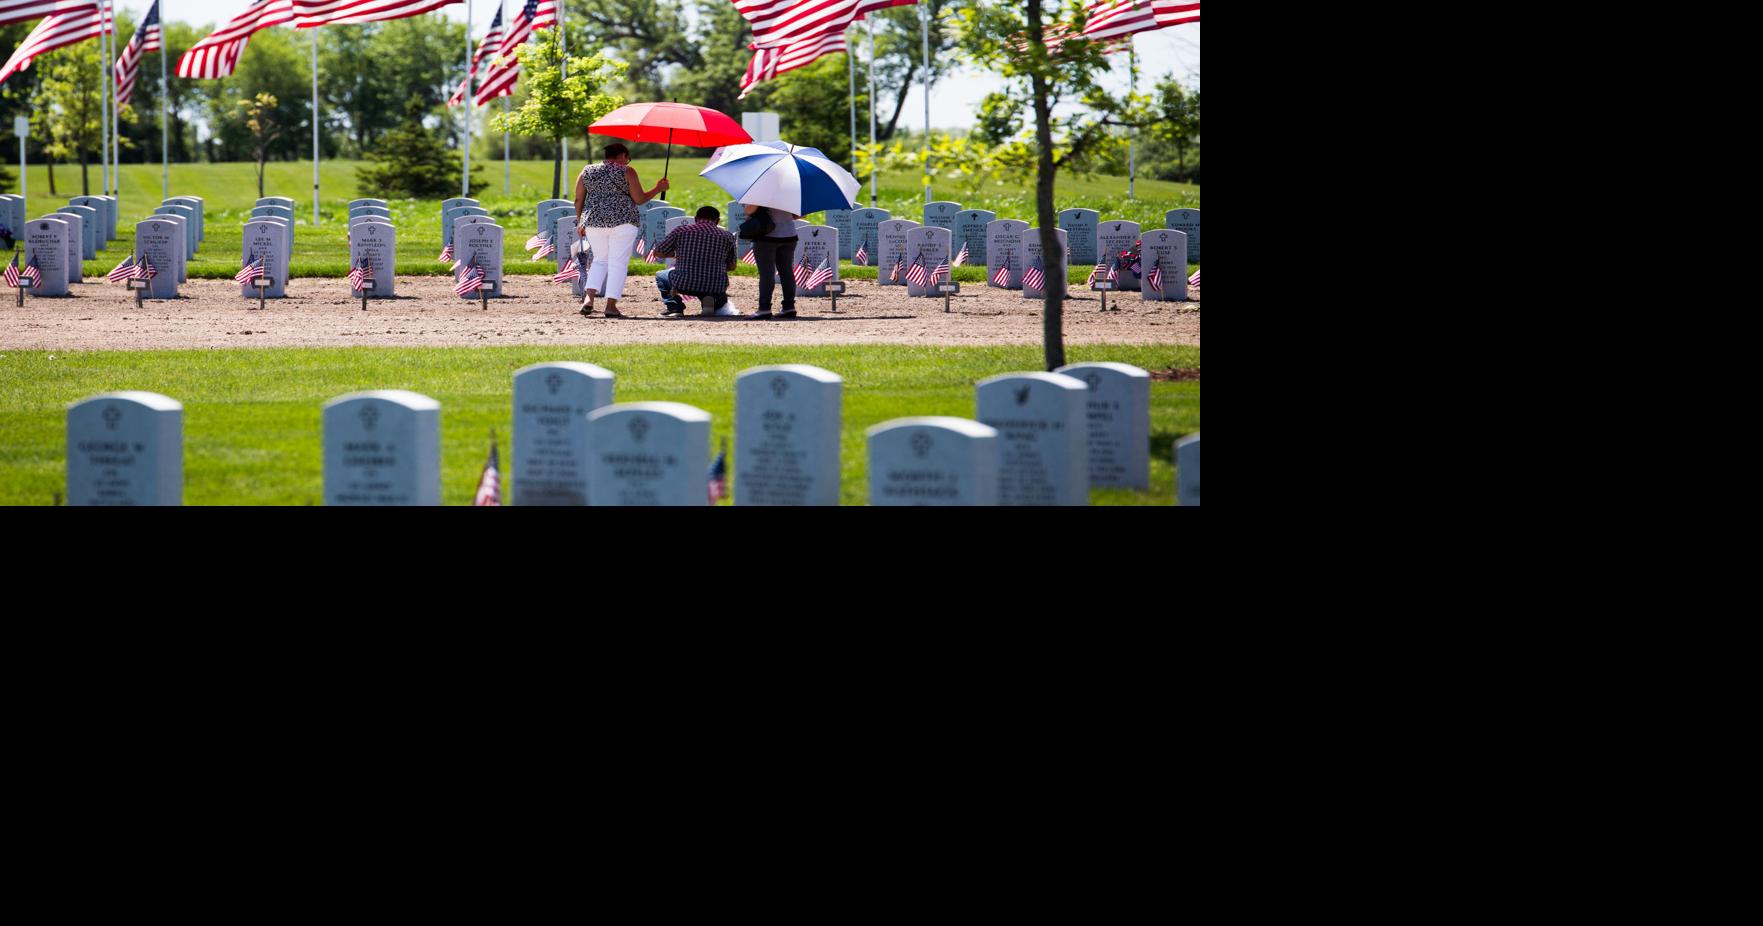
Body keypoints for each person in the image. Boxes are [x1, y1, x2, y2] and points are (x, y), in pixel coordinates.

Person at [574, 142, 667, 318]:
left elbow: (578, 199)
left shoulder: (587, 170)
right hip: (623, 221)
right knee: (618, 262)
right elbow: (639, 199)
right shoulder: (627, 171)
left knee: (599, 260)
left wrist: (580, 222)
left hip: (593, 220)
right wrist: (658, 188)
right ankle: (611, 305)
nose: (627, 162)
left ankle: (589, 299)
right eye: (628, 159)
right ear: (623, 155)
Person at [652, 206, 737, 318]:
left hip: (683, 283)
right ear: (717, 221)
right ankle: (710, 301)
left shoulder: (681, 231)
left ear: (696, 218)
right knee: (712, 282)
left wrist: (675, 255)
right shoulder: (727, 236)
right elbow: (732, 266)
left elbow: (658, 252)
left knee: (661, 276)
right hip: (716, 285)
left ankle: (675, 308)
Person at [741, 202, 800, 319]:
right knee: (787, 272)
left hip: (766, 235)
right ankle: (789, 307)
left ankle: (764, 308)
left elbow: (749, 210)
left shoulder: (761, 190)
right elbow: (798, 215)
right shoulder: (791, 191)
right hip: (789, 234)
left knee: (767, 274)